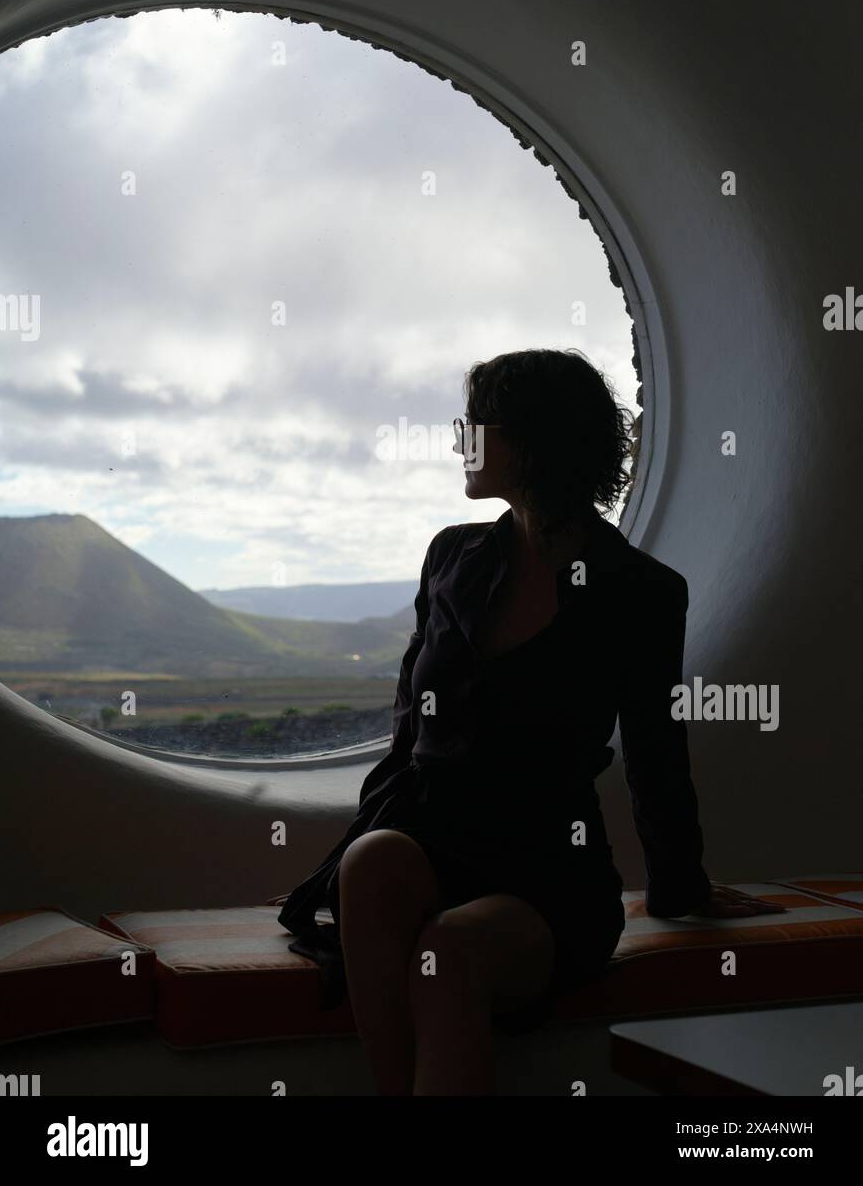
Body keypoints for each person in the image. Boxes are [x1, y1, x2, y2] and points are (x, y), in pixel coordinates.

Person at [276, 347, 781, 1095]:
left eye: (474, 424)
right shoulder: (451, 557)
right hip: (432, 843)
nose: (458, 442)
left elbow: (655, 751)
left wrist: (682, 886)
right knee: (372, 860)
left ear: (531, 440)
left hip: (547, 871)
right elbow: (410, 727)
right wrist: (366, 838)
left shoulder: (639, 592)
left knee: (449, 951)